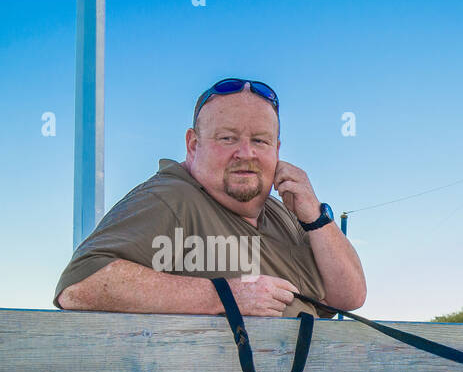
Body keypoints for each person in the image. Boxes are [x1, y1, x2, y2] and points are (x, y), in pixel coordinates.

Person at [54, 79, 366, 318]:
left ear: (277, 150)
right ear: (193, 145)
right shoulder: (172, 197)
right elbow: (79, 287)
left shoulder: (287, 211)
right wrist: (226, 296)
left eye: (260, 140)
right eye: (227, 138)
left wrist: (316, 218)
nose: (245, 153)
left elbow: (349, 297)